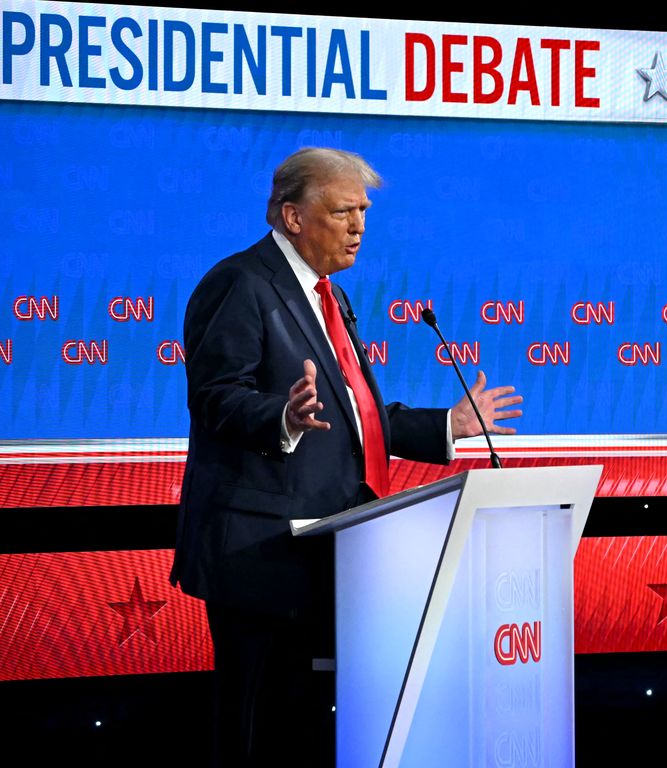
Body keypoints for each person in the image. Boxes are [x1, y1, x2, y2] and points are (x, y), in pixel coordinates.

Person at [169, 147, 522, 766]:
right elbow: (216, 398)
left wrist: (448, 425)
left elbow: (355, 413)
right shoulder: (242, 284)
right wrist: (280, 414)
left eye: (363, 211)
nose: (359, 226)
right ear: (293, 216)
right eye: (342, 211)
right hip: (260, 553)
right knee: (255, 731)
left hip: (324, 548)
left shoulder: (327, 295)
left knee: (305, 729)